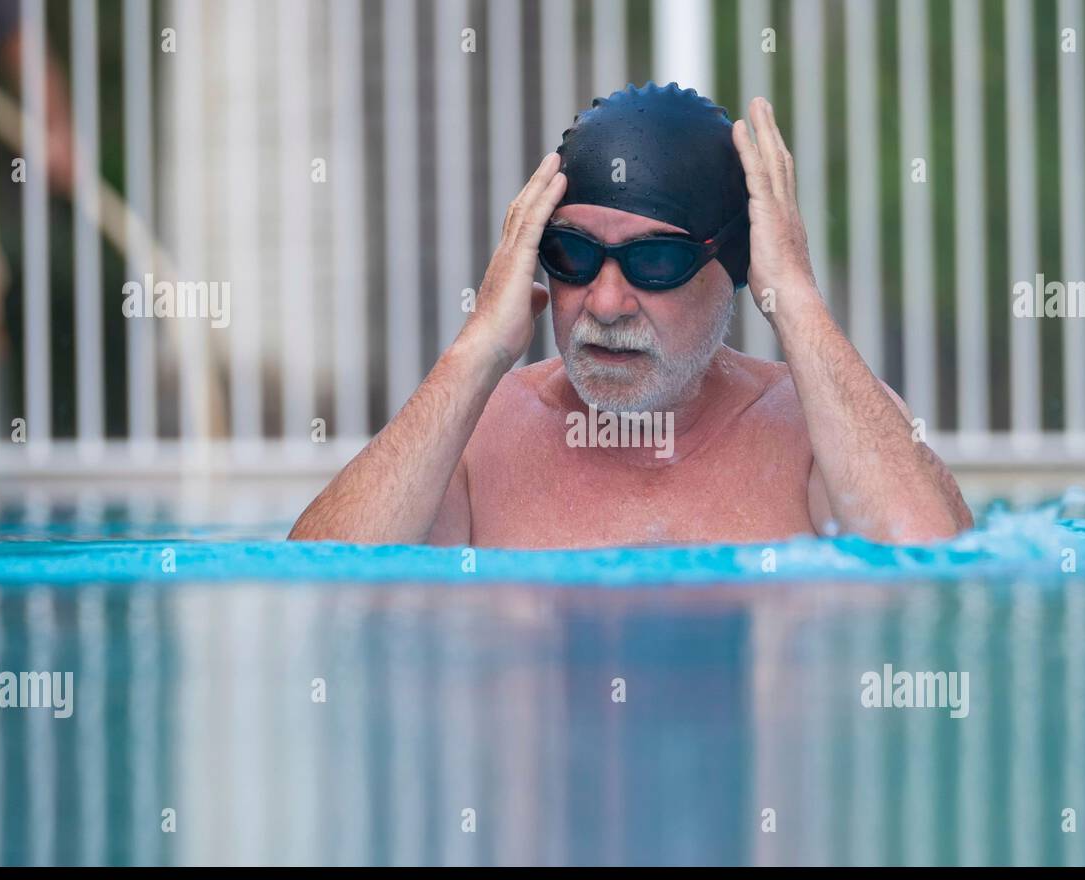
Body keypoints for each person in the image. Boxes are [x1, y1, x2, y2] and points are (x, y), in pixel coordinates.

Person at [290, 82, 972, 548]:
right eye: (572, 254)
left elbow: (937, 571)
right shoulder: (477, 441)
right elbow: (315, 591)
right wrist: (476, 352)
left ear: (735, 267)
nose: (608, 303)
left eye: (654, 264)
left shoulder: (818, 435)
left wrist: (795, 299)